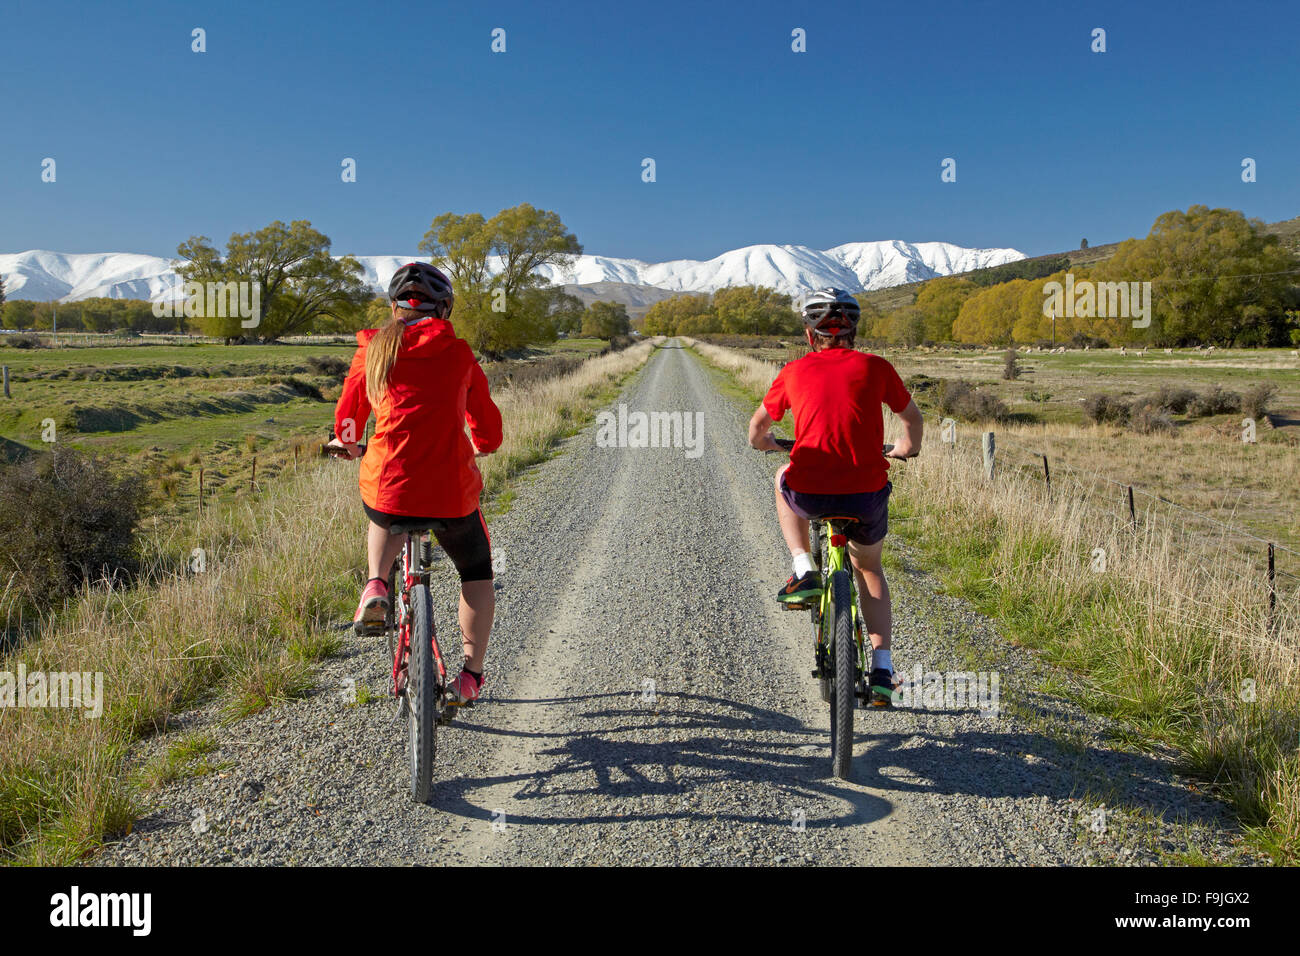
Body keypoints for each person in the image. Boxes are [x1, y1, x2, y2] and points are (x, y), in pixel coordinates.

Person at [328, 262, 503, 706]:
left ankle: (375, 586)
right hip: (451, 495)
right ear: (443, 309)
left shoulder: (372, 350)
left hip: (391, 489)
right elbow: (489, 430)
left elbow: (348, 424)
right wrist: (482, 444)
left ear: (394, 308)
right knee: (477, 573)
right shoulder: (460, 353)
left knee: (382, 505)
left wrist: (349, 445)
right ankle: (469, 678)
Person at [747, 288, 923, 704]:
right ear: (853, 333)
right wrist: (905, 449)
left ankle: (804, 567)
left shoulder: (792, 372)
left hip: (810, 493)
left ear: (811, 335)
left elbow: (756, 431)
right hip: (865, 495)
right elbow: (911, 420)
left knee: (781, 477)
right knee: (870, 570)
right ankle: (882, 669)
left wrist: (771, 444)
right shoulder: (877, 367)